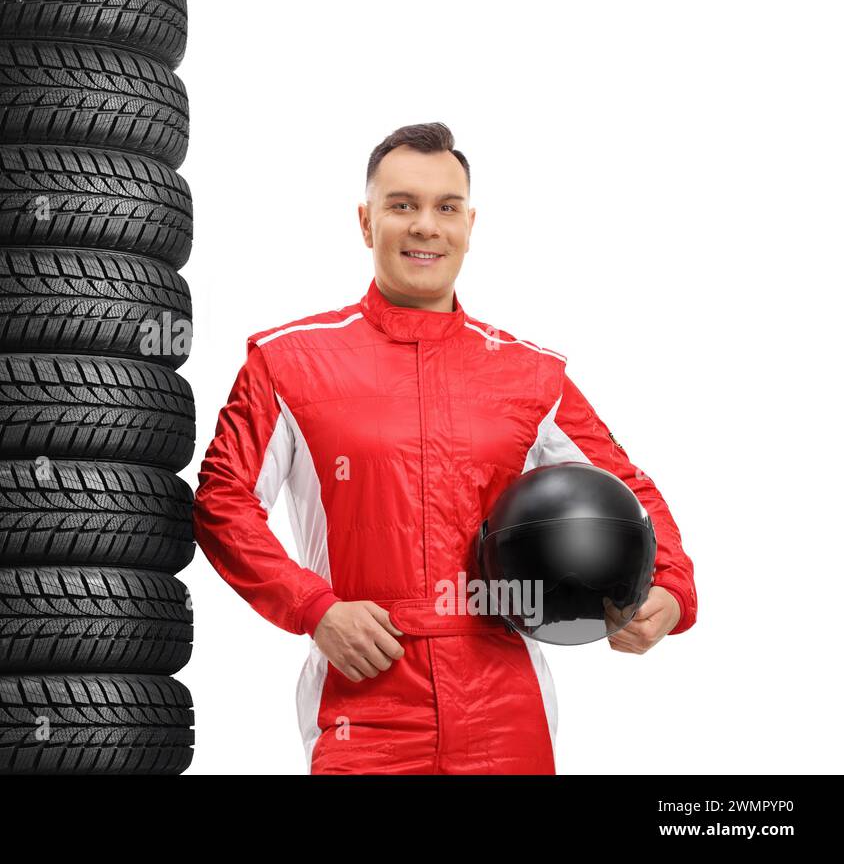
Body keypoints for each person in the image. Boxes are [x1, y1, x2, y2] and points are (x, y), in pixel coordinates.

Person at [192, 122, 698, 774]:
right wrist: (314, 609)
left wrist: (671, 591)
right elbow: (223, 502)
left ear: (469, 224)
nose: (426, 226)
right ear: (366, 222)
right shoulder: (288, 363)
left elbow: (630, 489)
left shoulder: (530, 373)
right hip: (364, 695)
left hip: (504, 702)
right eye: (402, 205)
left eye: (446, 208)